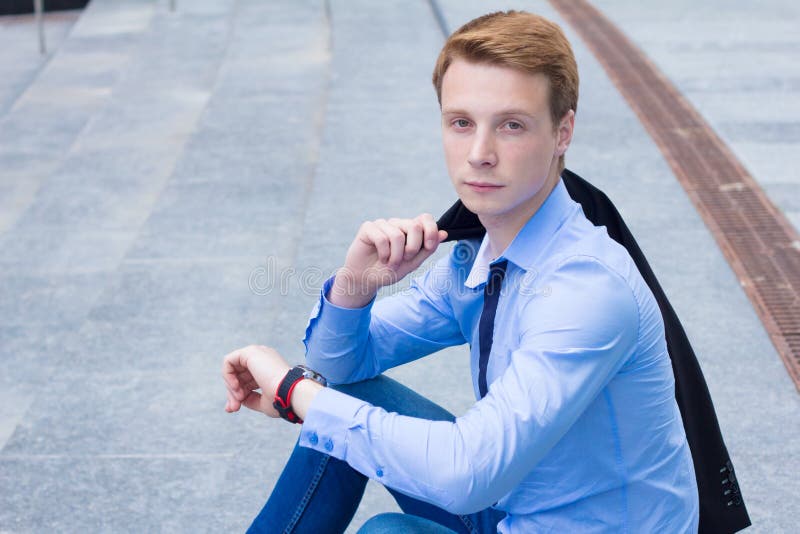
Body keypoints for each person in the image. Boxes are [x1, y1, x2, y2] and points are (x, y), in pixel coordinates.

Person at [222, 10, 700, 533]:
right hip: (509, 506)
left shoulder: (586, 288)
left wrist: (294, 392)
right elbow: (340, 366)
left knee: (385, 529)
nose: (479, 154)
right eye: (461, 123)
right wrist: (355, 288)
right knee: (339, 406)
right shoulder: (478, 254)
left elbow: (466, 474)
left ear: (563, 132)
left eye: (511, 125)